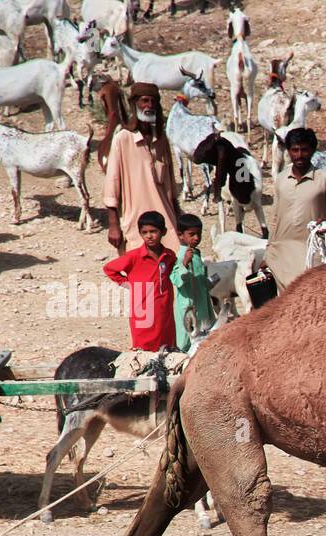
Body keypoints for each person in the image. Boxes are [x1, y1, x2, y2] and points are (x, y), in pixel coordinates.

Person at [103, 81, 183, 255]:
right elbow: (111, 186)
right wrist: (113, 225)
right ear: (135, 104)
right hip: (136, 222)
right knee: (140, 276)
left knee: (174, 267)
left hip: (165, 223)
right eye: (144, 101)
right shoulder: (123, 139)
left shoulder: (161, 140)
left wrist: (179, 217)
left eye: (153, 102)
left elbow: (171, 185)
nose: (149, 106)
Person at [265, 126, 326, 292]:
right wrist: (268, 253)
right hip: (281, 255)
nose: (299, 155)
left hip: (311, 255)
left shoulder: (325, 180)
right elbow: (275, 217)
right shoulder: (281, 179)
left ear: (312, 151)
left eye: (304, 150)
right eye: (295, 150)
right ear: (288, 151)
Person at [103, 210, 177, 352]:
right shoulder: (134, 256)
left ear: (164, 232)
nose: (149, 236)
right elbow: (109, 269)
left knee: (166, 346)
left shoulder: (169, 255)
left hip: (164, 308)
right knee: (144, 348)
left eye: (153, 231)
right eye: (145, 232)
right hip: (142, 309)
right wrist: (129, 284)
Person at [170, 213, 215, 352]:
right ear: (180, 235)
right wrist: (184, 263)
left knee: (205, 338)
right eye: (192, 234)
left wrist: (214, 280)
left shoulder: (196, 254)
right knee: (186, 343)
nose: (196, 238)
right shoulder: (180, 256)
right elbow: (176, 279)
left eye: (199, 234)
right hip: (188, 306)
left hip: (202, 305)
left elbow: (202, 283)